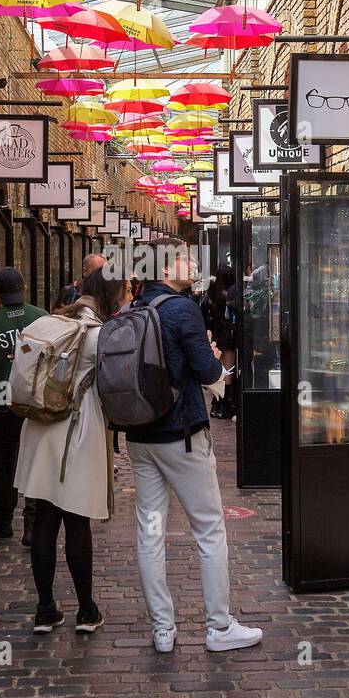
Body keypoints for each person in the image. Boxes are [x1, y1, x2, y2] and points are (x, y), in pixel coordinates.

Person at [118, 237, 262, 654]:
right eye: (182, 258)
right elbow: (208, 371)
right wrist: (217, 361)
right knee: (209, 529)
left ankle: (163, 630)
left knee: (149, 531)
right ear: (165, 270)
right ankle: (218, 627)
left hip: (140, 437)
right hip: (181, 436)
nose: (190, 263)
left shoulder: (133, 309)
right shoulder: (181, 309)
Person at [14, 268, 129, 634]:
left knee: (45, 520)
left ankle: (45, 609)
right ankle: (86, 609)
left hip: (40, 429)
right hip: (77, 431)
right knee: (77, 521)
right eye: (124, 293)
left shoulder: (54, 320)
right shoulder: (99, 336)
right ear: (111, 296)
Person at [0, 267, 47, 543]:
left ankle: (3, 519)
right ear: (24, 286)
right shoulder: (41, 318)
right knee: (35, 462)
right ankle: (32, 523)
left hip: (3, 403)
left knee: (4, 463)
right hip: (34, 401)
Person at [200, 264, 239, 419]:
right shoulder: (229, 296)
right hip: (228, 338)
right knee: (228, 371)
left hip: (214, 336)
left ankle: (216, 404)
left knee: (219, 371)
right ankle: (224, 404)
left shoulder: (210, 295)